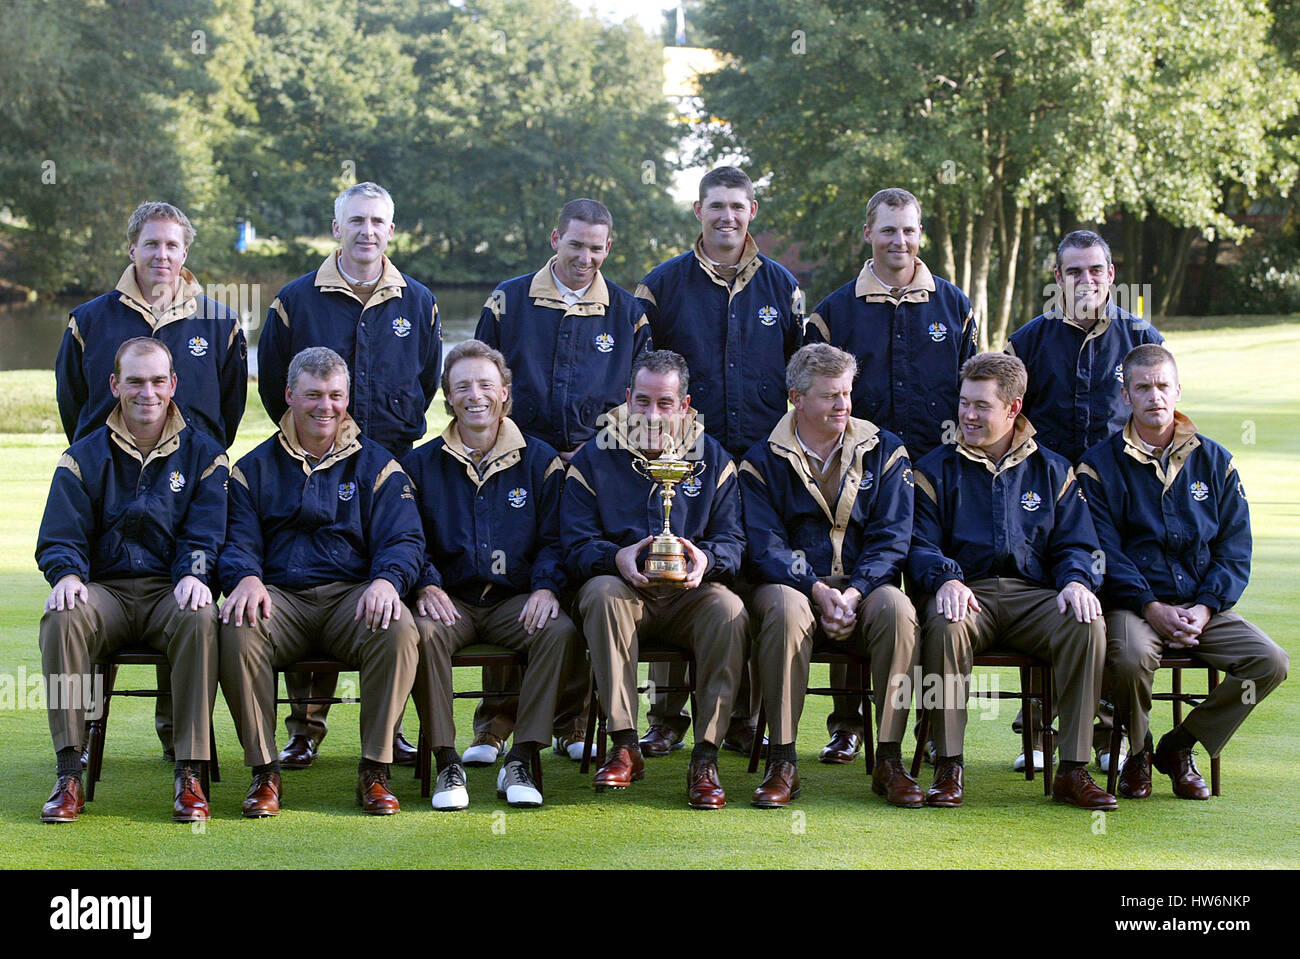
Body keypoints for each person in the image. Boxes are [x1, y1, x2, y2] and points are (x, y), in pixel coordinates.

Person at [55, 201, 247, 763]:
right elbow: (75, 407)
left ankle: (178, 739)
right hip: (109, 490)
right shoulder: (90, 319)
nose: (161, 255)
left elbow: (229, 407)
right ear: (131, 248)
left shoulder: (220, 318)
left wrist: (198, 457)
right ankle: (81, 741)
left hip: (191, 494)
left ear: (185, 252)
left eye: (172, 245)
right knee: (80, 612)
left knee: (188, 601)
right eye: (151, 244)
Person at [256, 182, 439, 768]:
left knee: (390, 585)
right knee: (310, 572)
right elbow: (270, 387)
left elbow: (427, 379)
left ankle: (391, 729)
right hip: (309, 464)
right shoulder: (295, 299)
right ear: (336, 228)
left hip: (390, 468)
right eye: (356, 221)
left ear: (392, 229)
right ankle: (306, 728)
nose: (367, 231)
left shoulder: (419, 301)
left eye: (378, 222)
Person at [633, 165, 803, 758]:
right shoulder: (662, 285)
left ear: (752, 211)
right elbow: (638, 373)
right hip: (676, 460)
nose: (727, 216)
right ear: (698, 210)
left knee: (748, 581)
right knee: (670, 570)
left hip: (759, 465)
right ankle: (667, 716)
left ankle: (738, 717)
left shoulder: (782, 287)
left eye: (738, 206)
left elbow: (798, 374)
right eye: (716, 206)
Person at [468, 197, 646, 763]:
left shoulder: (628, 310)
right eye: (576, 245)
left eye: (596, 248)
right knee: (516, 584)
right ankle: (494, 722)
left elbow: (638, 399)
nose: (585, 258)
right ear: (555, 239)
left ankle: (573, 721)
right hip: (517, 465)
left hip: (597, 471)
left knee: (576, 588)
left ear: (608, 248)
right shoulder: (509, 299)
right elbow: (481, 377)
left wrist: (592, 452)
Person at [804, 186, 976, 763]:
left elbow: (974, 393)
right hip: (858, 476)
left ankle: (929, 725)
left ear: (920, 234)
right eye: (887, 230)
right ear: (868, 233)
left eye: (908, 230)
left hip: (938, 482)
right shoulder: (834, 312)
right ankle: (849, 722)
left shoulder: (955, 305)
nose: (899, 241)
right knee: (860, 590)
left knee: (931, 601)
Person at [1077, 344, 1288, 800]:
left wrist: (1207, 607)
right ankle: (1137, 754)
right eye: (1143, 387)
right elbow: (1102, 551)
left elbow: (1234, 548)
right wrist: (1150, 607)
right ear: (1126, 394)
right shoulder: (1098, 465)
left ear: (1177, 390)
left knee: (1269, 662)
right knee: (1131, 658)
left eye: (1163, 386)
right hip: (1134, 608)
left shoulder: (1216, 461)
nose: (1155, 396)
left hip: (1200, 606)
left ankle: (1179, 746)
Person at [218, 347, 422, 816]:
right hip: (280, 599)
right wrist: (245, 577)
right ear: (289, 395)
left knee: (399, 629)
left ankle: (374, 770)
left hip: (352, 598)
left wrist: (388, 581)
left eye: (334, 395)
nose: (324, 406)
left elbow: (405, 539)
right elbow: (236, 542)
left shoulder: (379, 465)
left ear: (347, 398)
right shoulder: (252, 468)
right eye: (312, 394)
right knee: (236, 627)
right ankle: (264, 772)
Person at [908, 353, 1117, 809]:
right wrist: (945, 578)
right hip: (967, 594)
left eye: (981, 406)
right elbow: (918, 543)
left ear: (1013, 408)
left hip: (1036, 599)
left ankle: (1073, 768)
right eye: (963, 403)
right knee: (946, 625)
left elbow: (1077, 545)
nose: (967, 415)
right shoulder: (933, 468)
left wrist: (1077, 581)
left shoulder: (1054, 470)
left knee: (1088, 624)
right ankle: (948, 765)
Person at [36, 338, 227, 822]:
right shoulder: (82, 456)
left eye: (158, 381)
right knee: (61, 617)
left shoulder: (206, 455)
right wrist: (67, 574)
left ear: (173, 385)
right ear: (115, 385)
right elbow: (60, 535)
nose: (148, 392)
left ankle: (188, 771)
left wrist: (195, 573)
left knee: (201, 614)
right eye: (136, 381)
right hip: (106, 593)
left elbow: (209, 532)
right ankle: (68, 771)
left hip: (170, 590)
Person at [1005, 229, 1166, 773]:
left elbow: (1157, 420)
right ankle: (1036, 724)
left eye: (1095, 269)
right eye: (1073, 271)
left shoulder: (1142, 336)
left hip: (1119, 502)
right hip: (1043, 503)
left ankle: (1105, 731)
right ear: (1057, 278)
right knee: (1053, 606)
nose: (1086, 280)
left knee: (1109, 611)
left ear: (1111, 274)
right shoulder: (1026, 341)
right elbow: (1012, 424)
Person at [563, 350, 748, 809]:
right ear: (627, 399)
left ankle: (705, 757)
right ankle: (625, 744)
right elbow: (573, 543)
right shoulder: (594, 457)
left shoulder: (713, 457)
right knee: (602, 594)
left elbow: (735, 540)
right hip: (624, 591)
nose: (651, 414)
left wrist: (706, 559)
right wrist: (615, 556)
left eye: (665, 403)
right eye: (642, 401)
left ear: (684, 406)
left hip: (692, 595)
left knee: (729, 609)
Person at [740, 344, 921, 808]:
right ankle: (783, 761)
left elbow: (892, 538)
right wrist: (820, 591)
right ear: (796, 398)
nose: (843, 405)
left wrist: (857, 591)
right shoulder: (760, 459)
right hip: (795, 588)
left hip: (865, 586)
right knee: (782, 607)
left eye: (846, 394)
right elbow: (765, 547)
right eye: (829, 396)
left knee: (899, 610)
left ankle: (889, 758)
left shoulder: (887, 449)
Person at [403, 340, 581, 809]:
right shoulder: (420, 465)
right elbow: (405, 538)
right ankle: (446, 761)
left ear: (505, 393)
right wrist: (425, 582)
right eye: (462, 387)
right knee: (421, 633)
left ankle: (521, 756)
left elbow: (557, 539)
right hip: (451, 602)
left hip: (514, 601)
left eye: (485, 384)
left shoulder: (541, 461)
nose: (474, 395)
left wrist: (547, 587)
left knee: (558, 630)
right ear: (448, 399)